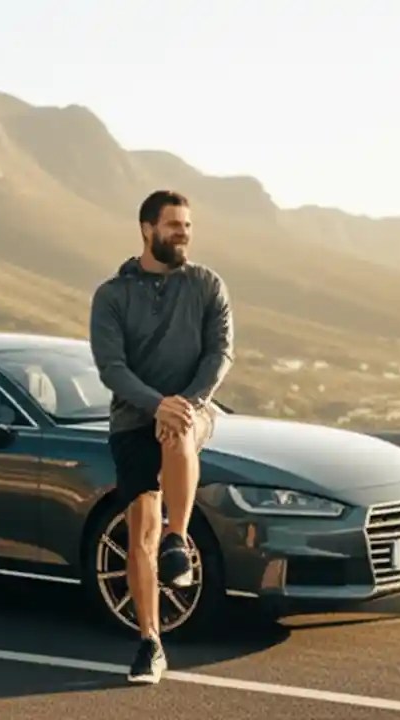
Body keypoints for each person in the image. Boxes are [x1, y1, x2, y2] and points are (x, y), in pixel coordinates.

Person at [88, 189, 235, 685]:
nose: (183, 234)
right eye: (174, 225)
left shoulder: (207, 285)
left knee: (178, 432)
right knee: (139, 532)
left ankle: (180, 541)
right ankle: (150, 641)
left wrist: (186, 403)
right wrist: (157, 403)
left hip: (191, 411)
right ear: (147, 229)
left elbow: (220, 355)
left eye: (187, 226)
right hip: (132, 420)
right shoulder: (112, 295)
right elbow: (112, 369)